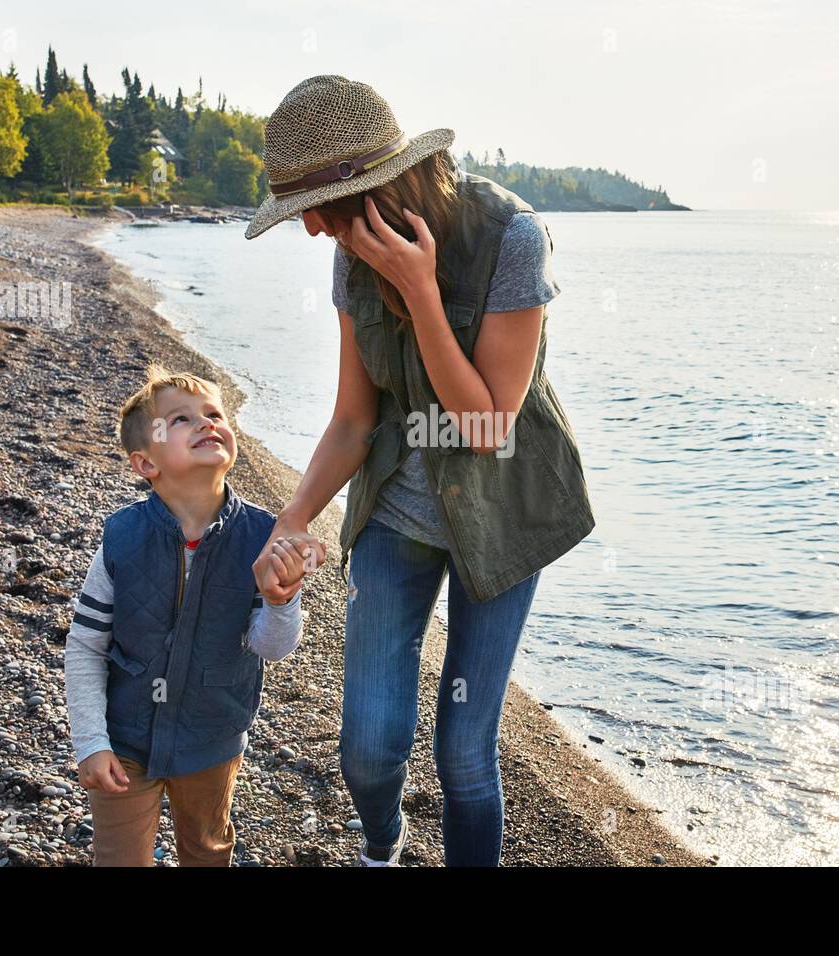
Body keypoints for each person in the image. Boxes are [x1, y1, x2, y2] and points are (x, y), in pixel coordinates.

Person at [245, 75, 595, 866]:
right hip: (396, 516)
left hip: (503, 518)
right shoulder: (349, 253)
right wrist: (291, 519)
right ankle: (383, 846)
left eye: (315, 214)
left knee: (465, 755)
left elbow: (483, 423)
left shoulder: (511, 237)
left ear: (372, 186)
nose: (310, 235)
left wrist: (421, 292)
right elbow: (353, 419)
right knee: (368, 750)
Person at [64, 362, 316, 866]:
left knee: (207, 851)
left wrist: (281, 599)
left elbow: (271, 647)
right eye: (181, 420)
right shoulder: (122, 538)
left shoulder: (262, 536)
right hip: (125, 737)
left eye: (214, 413)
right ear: (145, 465)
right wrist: (91, 742)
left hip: (212, 738)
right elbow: (86, 644)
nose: (206, 423)